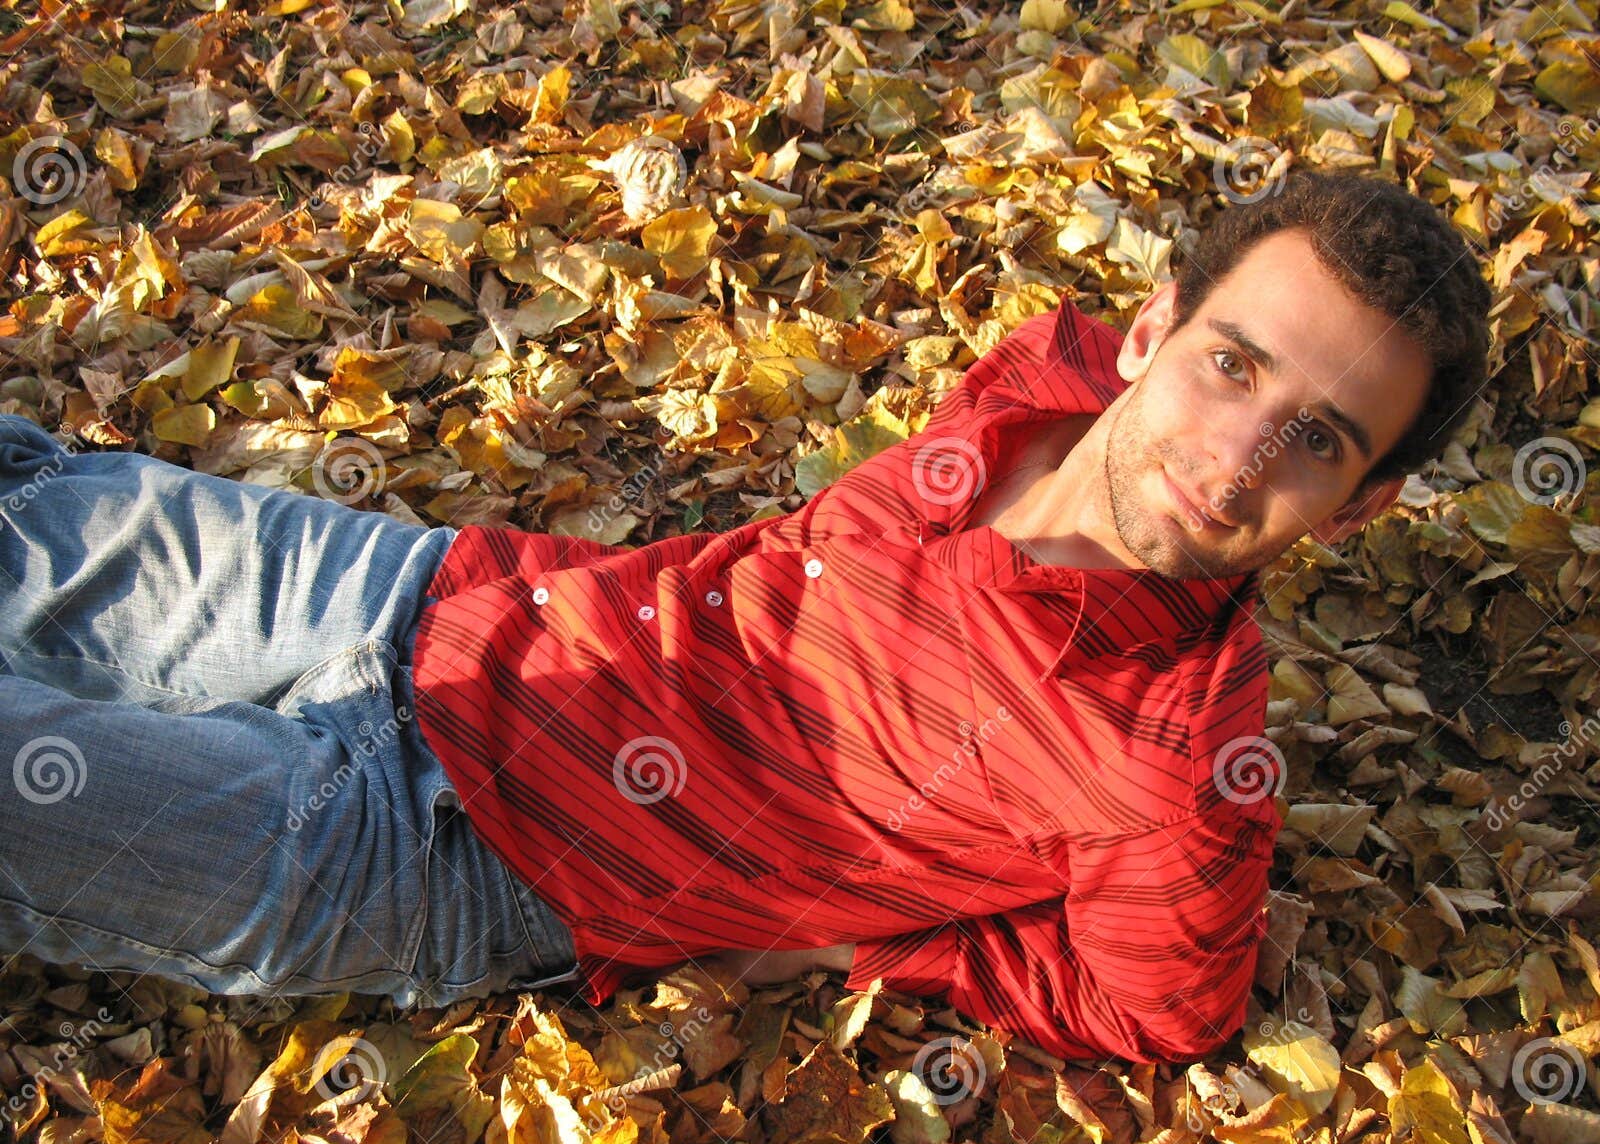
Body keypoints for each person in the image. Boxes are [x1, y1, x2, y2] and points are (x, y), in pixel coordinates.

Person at [0, 169, 1490, 1063]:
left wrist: (869, 943)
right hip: (451, 599)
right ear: (1151, 332)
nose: (1235, 457)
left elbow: (1158, 1012)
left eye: (1319, 441)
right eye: (1232, 367)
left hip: (461, 858)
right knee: (34, 504)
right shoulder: (1037, 375)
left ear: (1359, 509)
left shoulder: (1172, 773)